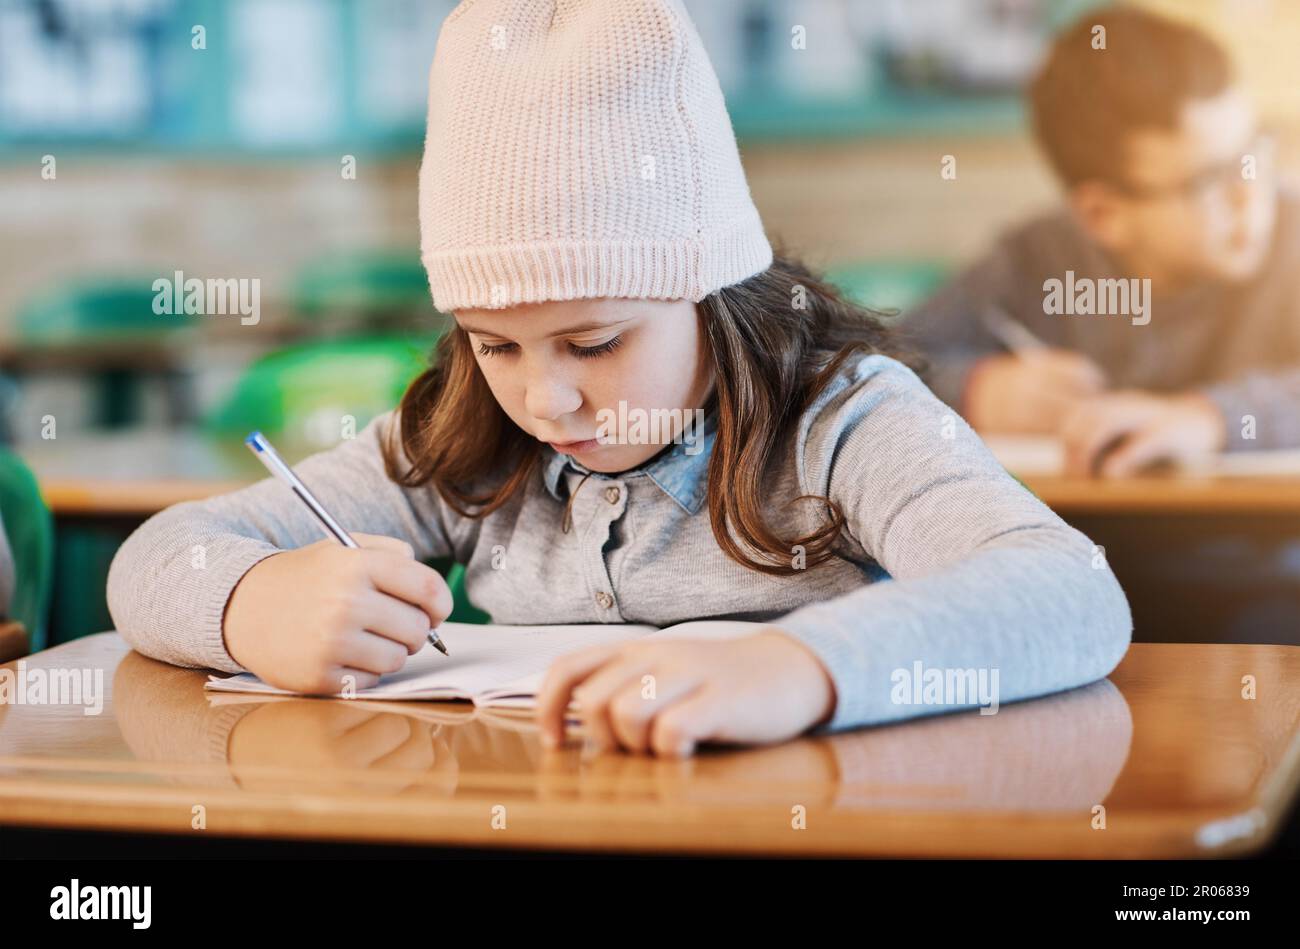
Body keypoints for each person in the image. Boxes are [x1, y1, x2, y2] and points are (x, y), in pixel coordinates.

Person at [107, 0, 1130, 757]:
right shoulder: (464, 438)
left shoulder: (840, 420)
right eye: (493, 344)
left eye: (594, 344)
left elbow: (1069, 592)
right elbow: (155, 558)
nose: (545, 400)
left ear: (713, 293)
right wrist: (248, 600)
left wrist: (796, 665)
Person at [904, 6, 1299, 476]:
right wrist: (974, 389)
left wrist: (1210, 418)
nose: (1249, 193)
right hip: (1084, 545)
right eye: (1208, 180)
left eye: (1254, 148)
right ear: (1103, 215)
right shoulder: (1037, 259)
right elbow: (870, 365)